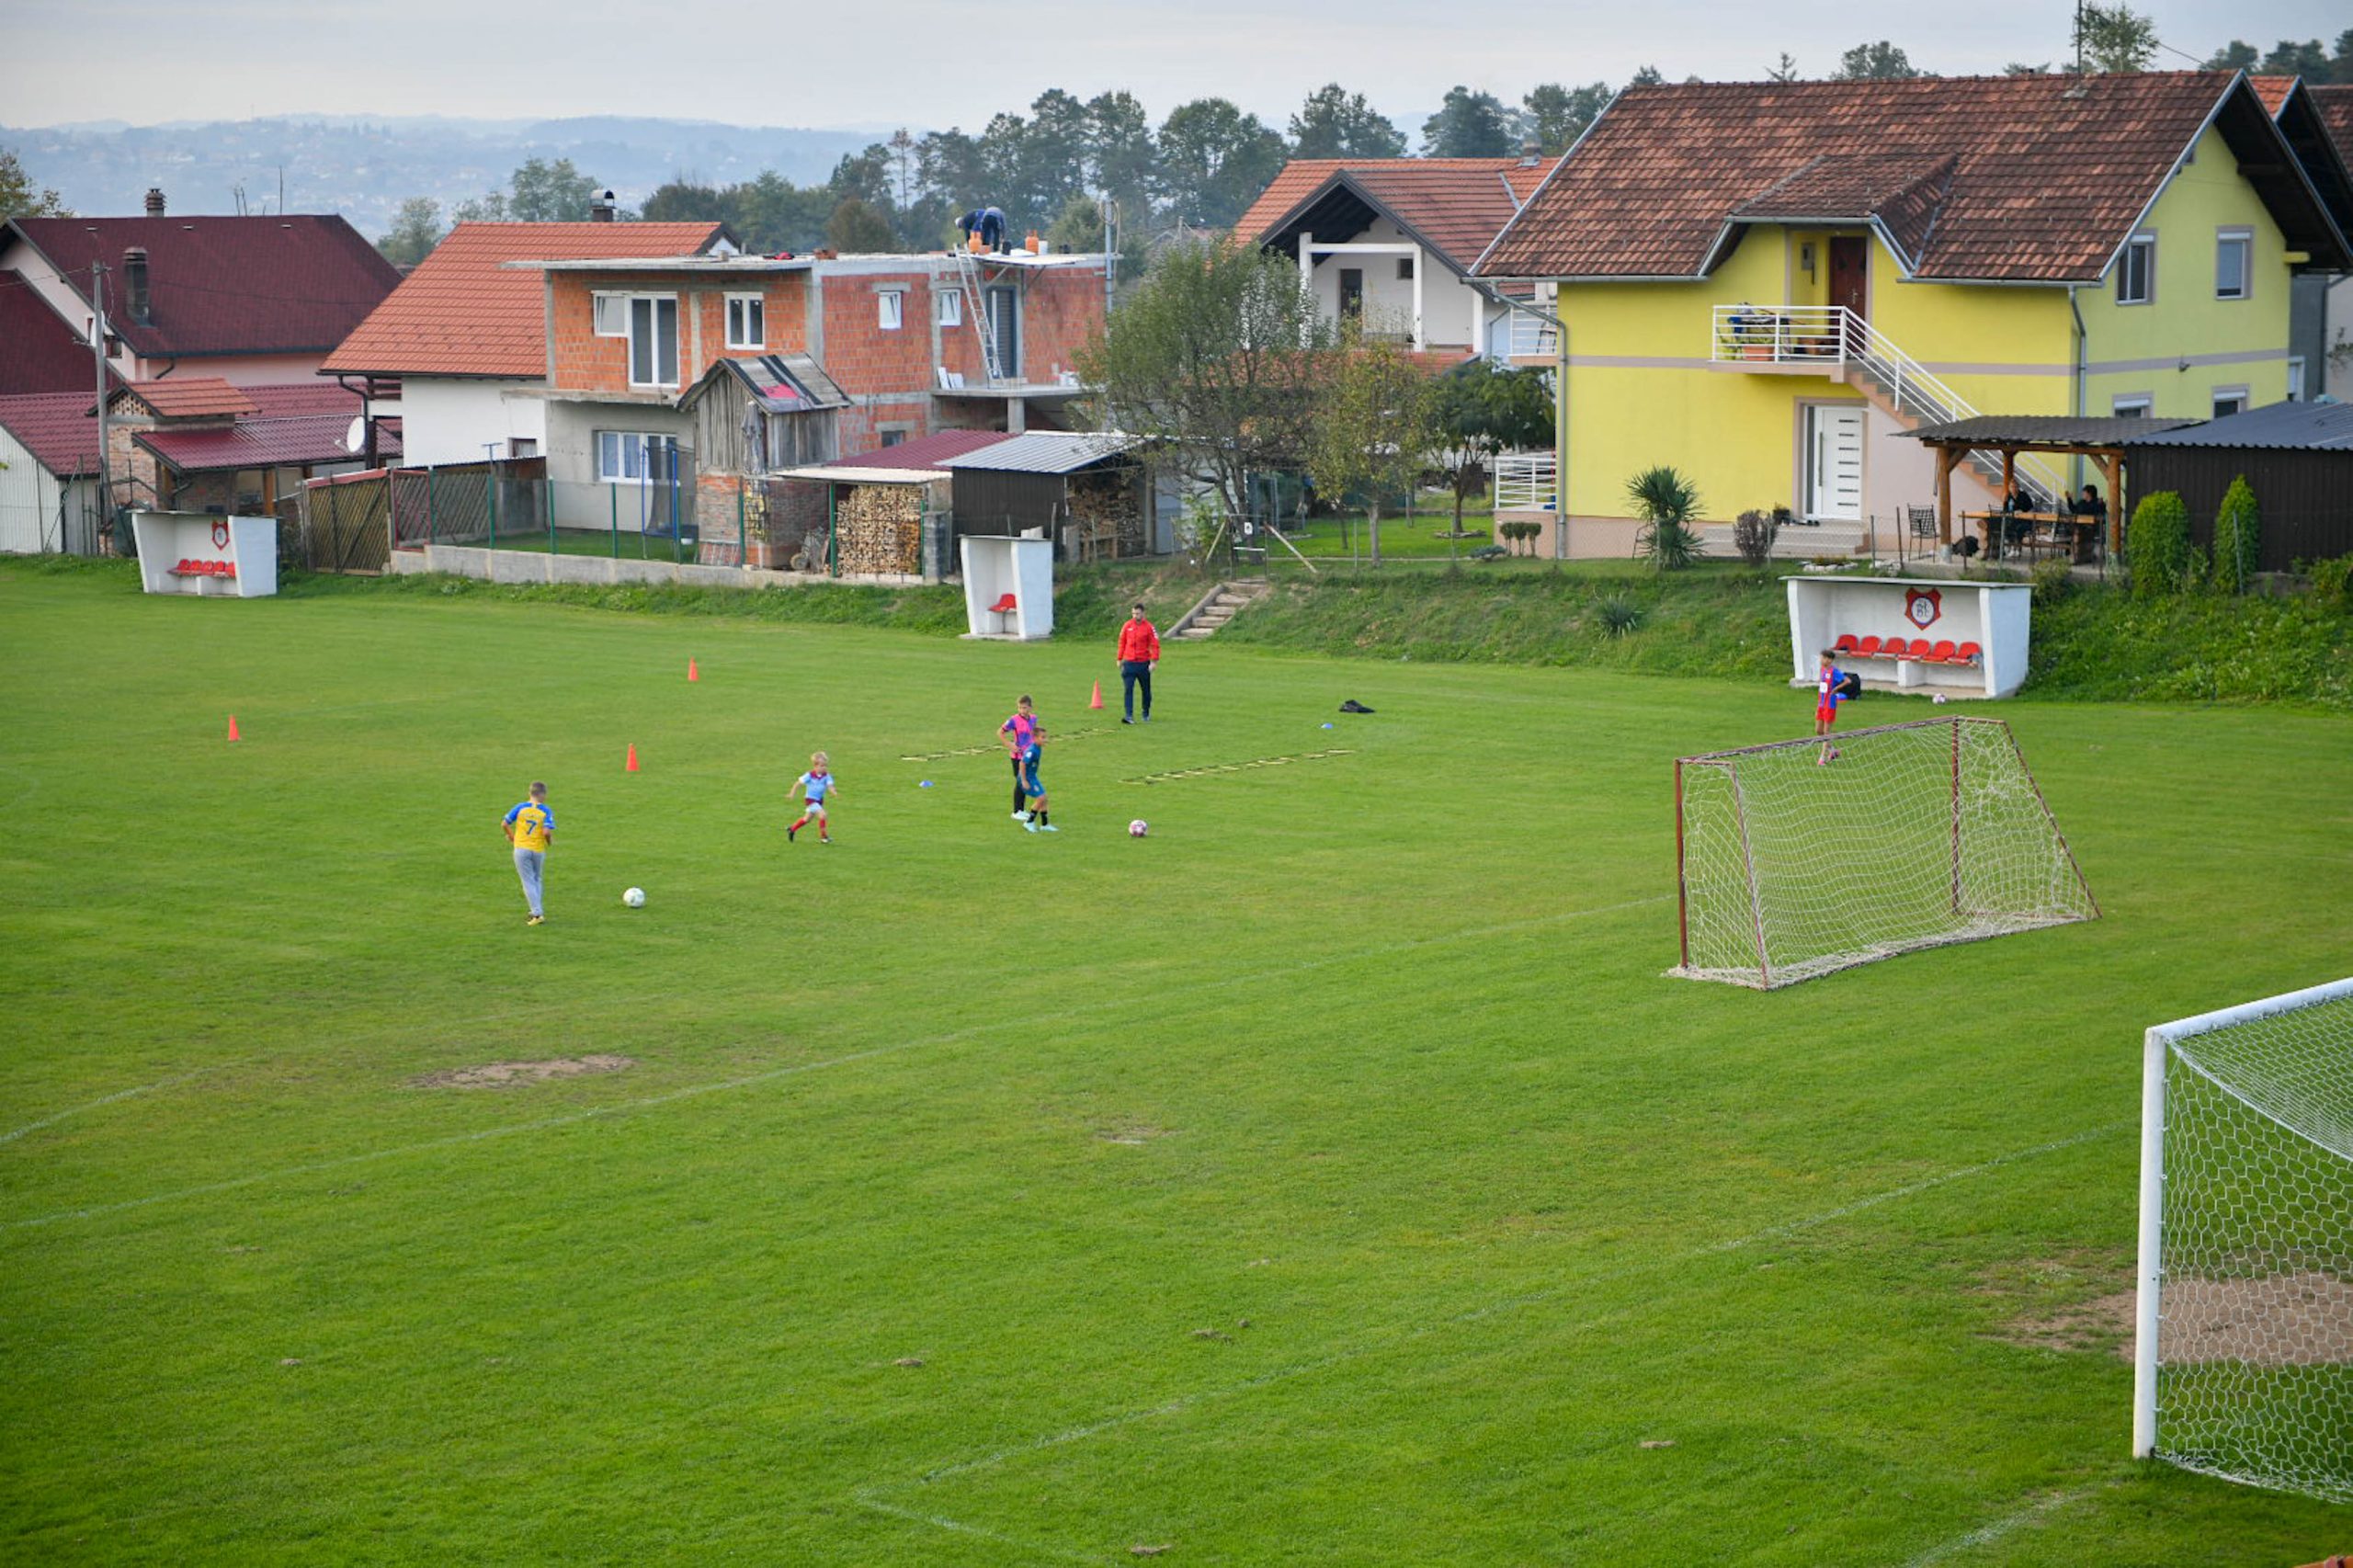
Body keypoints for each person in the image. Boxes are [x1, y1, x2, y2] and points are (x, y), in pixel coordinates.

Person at [502, 781, 555, 926]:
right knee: (537, 879)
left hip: (521, 849)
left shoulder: (520, 808)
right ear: (542, 795)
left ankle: (537, 914)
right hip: (538, 850)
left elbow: (505, 824)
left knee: (527, 881)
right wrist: (549, 842)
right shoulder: (546, 810)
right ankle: (536, 911)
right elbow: (546, 832)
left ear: (530, 793)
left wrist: (512, 837)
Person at [1116, 601, 1160, 724]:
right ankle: (1128, 715)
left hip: (1143, 664)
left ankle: (1146, 712)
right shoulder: (1127, 626)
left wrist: (1154, 661)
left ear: (1143, 613)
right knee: (1128, 689)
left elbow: (1155, 645)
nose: (1135, 616)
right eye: (1133, 613)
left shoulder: (1149, 627)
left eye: (1138, 614)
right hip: (1129, 663)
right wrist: (1119, 659)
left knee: (1146, 690)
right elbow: (1122, 642)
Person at [1000, 694, 1040, 820]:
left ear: (1030, 708)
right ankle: (1016, 811)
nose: (1022, 710)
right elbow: (1000, 732)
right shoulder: (1013, 720)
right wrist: (1009, 744)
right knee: (1020, 782)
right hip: (1017, 756)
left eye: (1024, 708)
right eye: (1020, 708)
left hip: (1028, 756)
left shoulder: (1033, 719)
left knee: (1024, 781)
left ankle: (1021, 810)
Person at [789, 751, 838, 845]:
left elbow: (830, 786)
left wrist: (834, 792)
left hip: (819, 801)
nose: (825, 768)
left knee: (807, 819)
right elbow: (798, 784)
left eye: (826, 765)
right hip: (810, 800)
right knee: (823, 815)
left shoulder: (827, 776)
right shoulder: (809, 775)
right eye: (822, 766)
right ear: (815, 766)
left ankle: (792, 829)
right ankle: (823, 837)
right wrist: (792, 793)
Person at [1813, 650, 1847, 766]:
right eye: (1823, 658)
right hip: (1821, 704)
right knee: (1818, 730)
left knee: (1827, 732)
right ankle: (1833, 751)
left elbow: (1848, 681)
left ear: (1831, 660)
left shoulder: (1834, 671)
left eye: (1827, 658)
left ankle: (1822, 758)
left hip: (1830, 705)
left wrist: (1836, 689)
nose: (1824, 660)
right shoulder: (1822, 670)